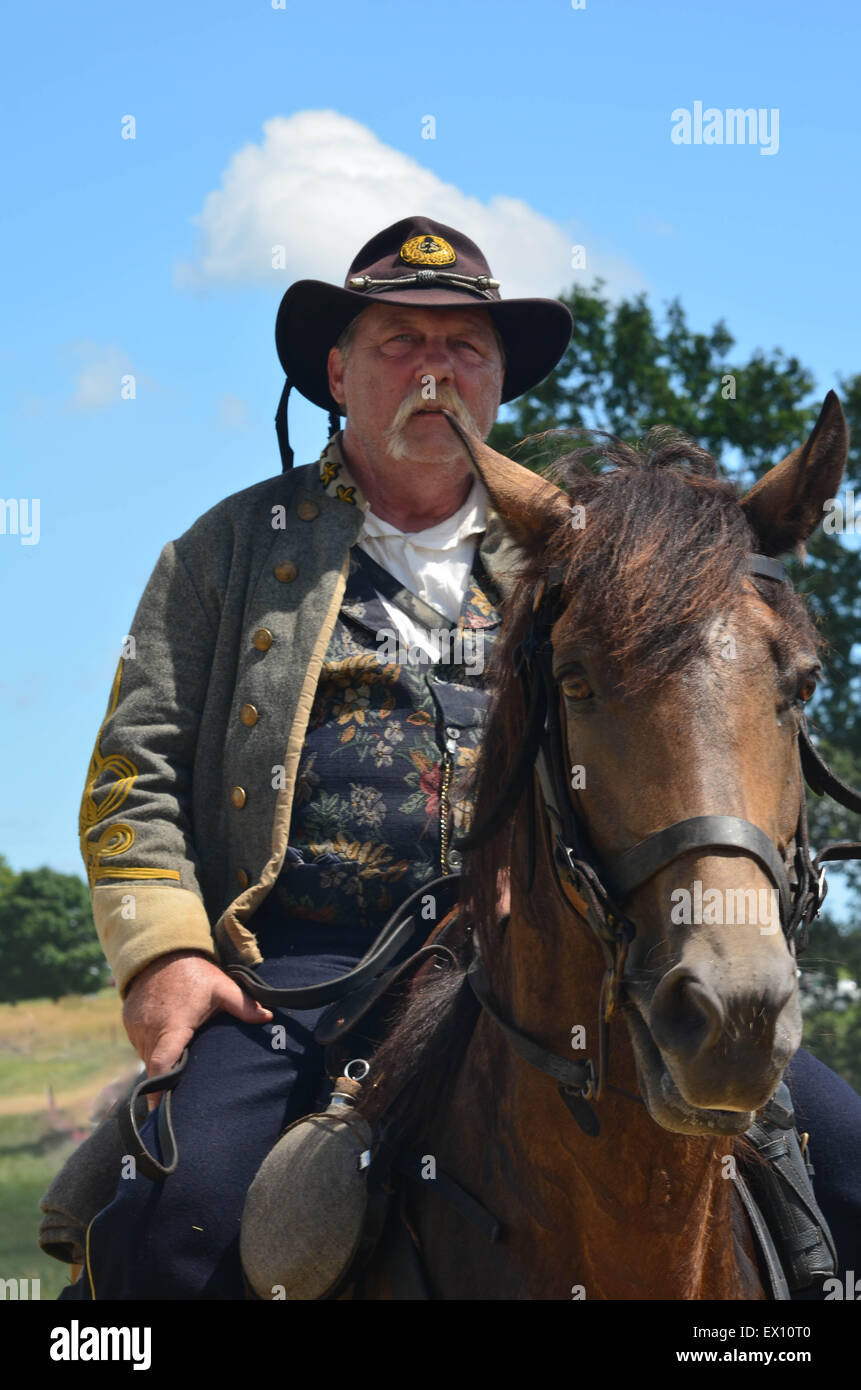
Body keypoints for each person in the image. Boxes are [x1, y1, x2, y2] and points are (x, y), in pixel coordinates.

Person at [60, 216, 573, 1298]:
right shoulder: (228, 549)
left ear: (499, 385)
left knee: (837, 1160)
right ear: (339, 373)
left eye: (466, 347)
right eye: (400, 342)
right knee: (174, 1224)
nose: (436, 368)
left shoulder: (579, 553)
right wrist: (165, 958)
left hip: (543, 962)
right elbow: (131, 772)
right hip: (299, 969)